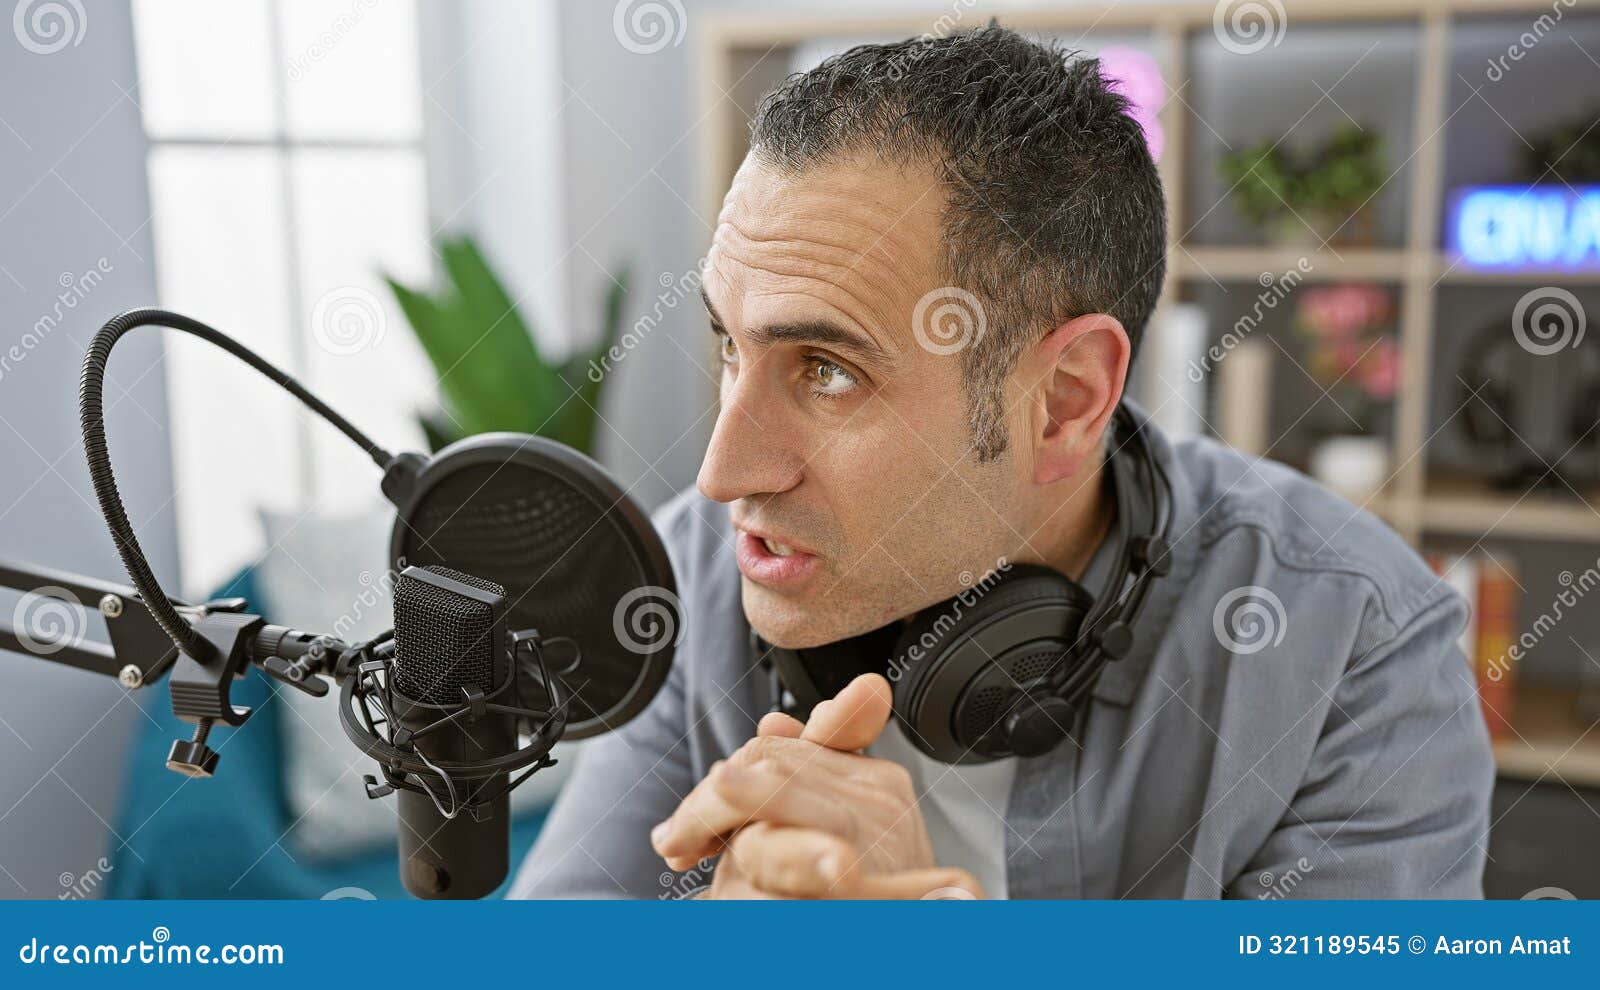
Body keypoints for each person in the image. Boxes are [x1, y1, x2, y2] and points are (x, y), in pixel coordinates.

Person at [509, 24, 1492, 900]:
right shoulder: (694, 570)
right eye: (731, 345)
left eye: (828, 369)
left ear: (1064, 400)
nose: (723, 473)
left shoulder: (1353, 649)